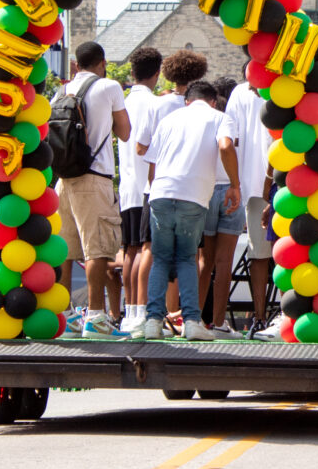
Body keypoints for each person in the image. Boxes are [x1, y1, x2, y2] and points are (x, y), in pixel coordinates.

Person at [142, 80, 240, 341]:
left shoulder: (170, 119)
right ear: (212, 101)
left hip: (161, 193)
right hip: (193, 196)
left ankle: (153, 322)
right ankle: (192, 321)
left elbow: (152, 165)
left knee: (161, 258)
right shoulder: (219, 117)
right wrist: (235, 184)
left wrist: (160, 192)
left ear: (187, 100)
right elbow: (226, 146)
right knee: (186, 258)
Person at [56, 41, 131, 340]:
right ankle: (96, 318)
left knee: (65, 248)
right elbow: (125, 132)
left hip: (64, 179)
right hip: (94, 177)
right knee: (97, 249)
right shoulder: (109, 86)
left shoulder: (61, 90)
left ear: (75, 64)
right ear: (103, 63)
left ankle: (64, 318)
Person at [116, 47, 162, 333]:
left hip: (126, 186)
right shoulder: (154, 104)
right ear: (157, 74)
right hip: (148, 185)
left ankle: (129, 310)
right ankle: (138, 311)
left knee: (130, 250)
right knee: (145, 250)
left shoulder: (122, 102)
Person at [196, 77, 245, 339]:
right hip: (229, 189)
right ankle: (218, 323)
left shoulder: (200, 123)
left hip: (205, 191)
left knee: (205, 261)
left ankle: (194, 320)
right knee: (224, 262)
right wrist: (237, 185)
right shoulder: (228, 122)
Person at [224, 80, 274, 333]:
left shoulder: (241, 92)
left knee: (263, 254)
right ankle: (263, 317)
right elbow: (229, 139)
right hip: (263, 183)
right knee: (264, 253)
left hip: (260, 182)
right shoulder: (244, 91)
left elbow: (229, 140)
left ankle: (265, 316)